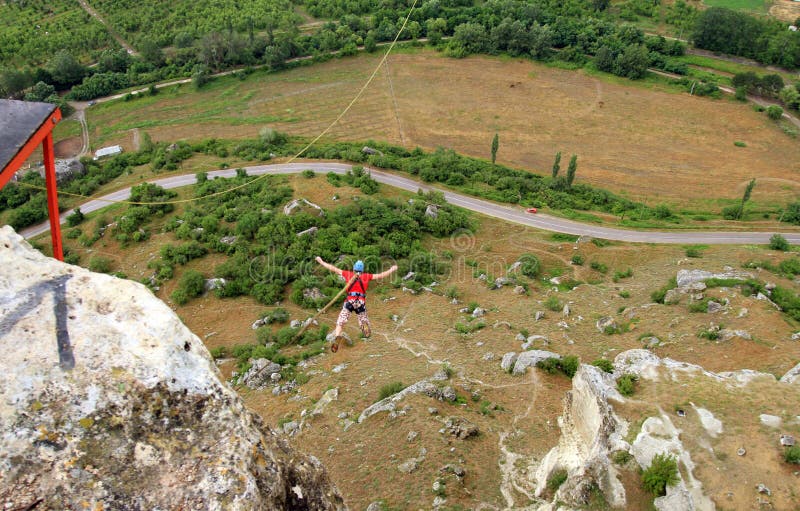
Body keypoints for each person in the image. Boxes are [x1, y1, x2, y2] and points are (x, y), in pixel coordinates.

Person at [315, 257, 397, 349]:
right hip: (360, 302)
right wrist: (391, 269)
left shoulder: (348, 274)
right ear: (362, 270)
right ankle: (364, 325)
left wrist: (321, 262)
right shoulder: (366, 276)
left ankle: (338, 336)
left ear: (354, 269)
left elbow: (333, 268)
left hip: (350, 301)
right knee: (363, 319)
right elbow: (381, 275)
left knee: (340, 322)